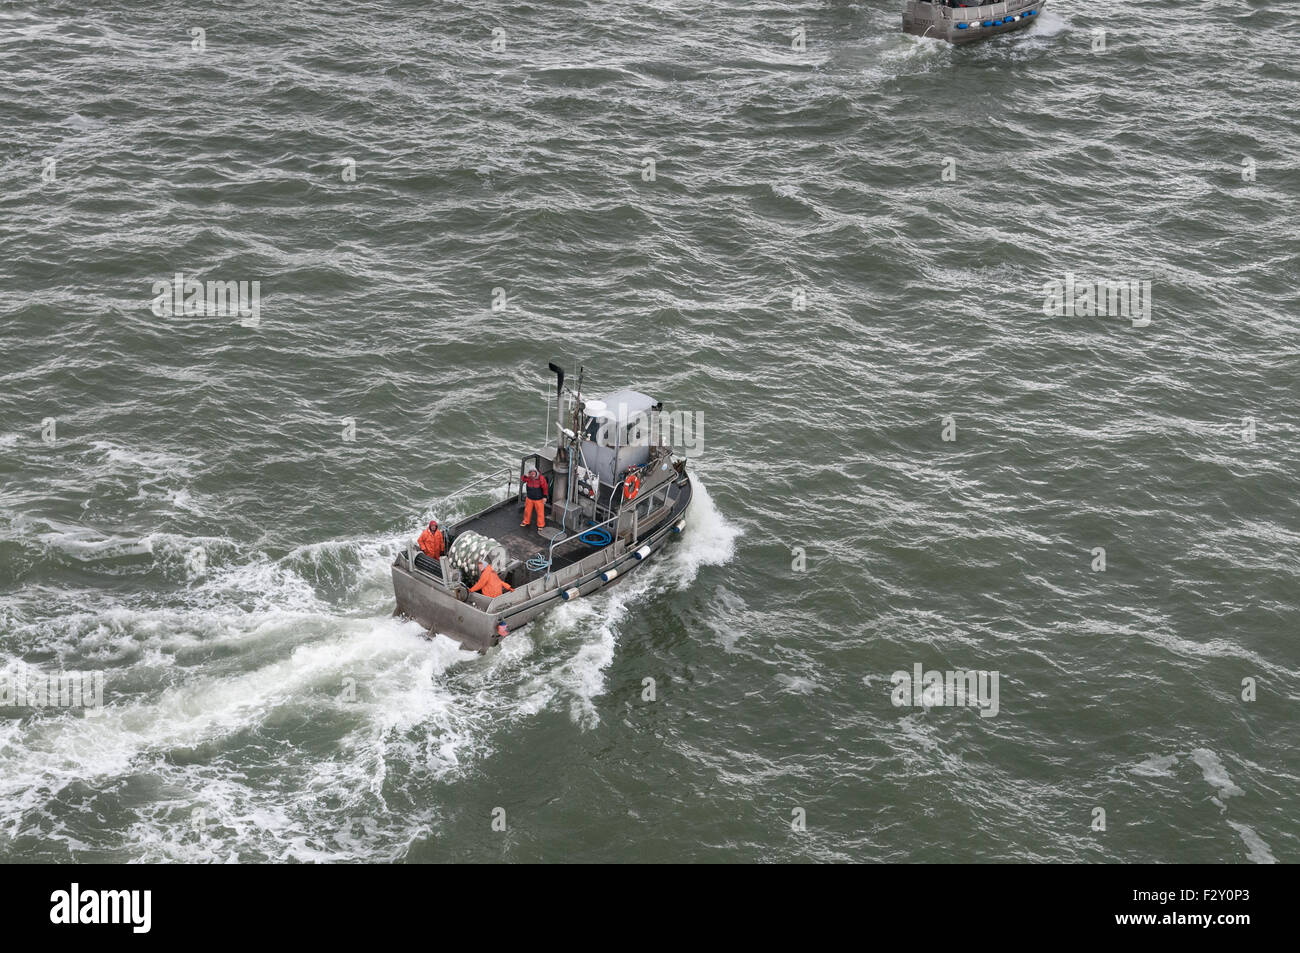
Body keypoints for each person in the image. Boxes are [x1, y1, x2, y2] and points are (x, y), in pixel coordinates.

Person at [520, 464, 549, 529]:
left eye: (534, 474)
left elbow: (545, 488)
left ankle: (541, 525)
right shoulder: (528, 478)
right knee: (527, 511)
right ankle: (526, 521)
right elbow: (523, 479)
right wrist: (525, 475)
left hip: (539, 499)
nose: (532, 475)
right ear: (529, 474)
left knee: (540, 512)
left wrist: (545, 497)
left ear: (536, 473)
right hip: (529, 498)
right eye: (531, 474)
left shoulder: (541, 478)